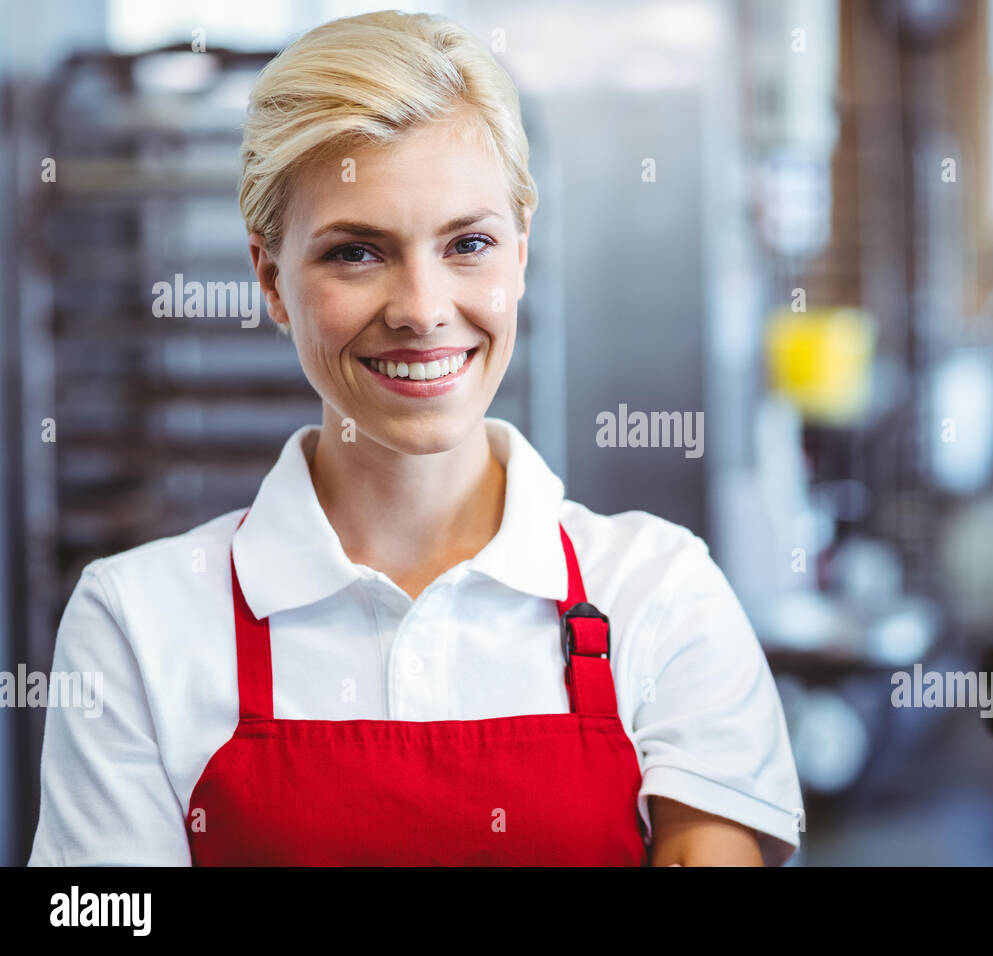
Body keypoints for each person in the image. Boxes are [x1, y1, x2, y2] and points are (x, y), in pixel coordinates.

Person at [28, 10, 802, 866]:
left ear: (520, 252)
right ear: (269, 279)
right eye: (357, 253)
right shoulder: (138, 624)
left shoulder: (662, 597)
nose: (423, 310)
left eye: (468, 243)